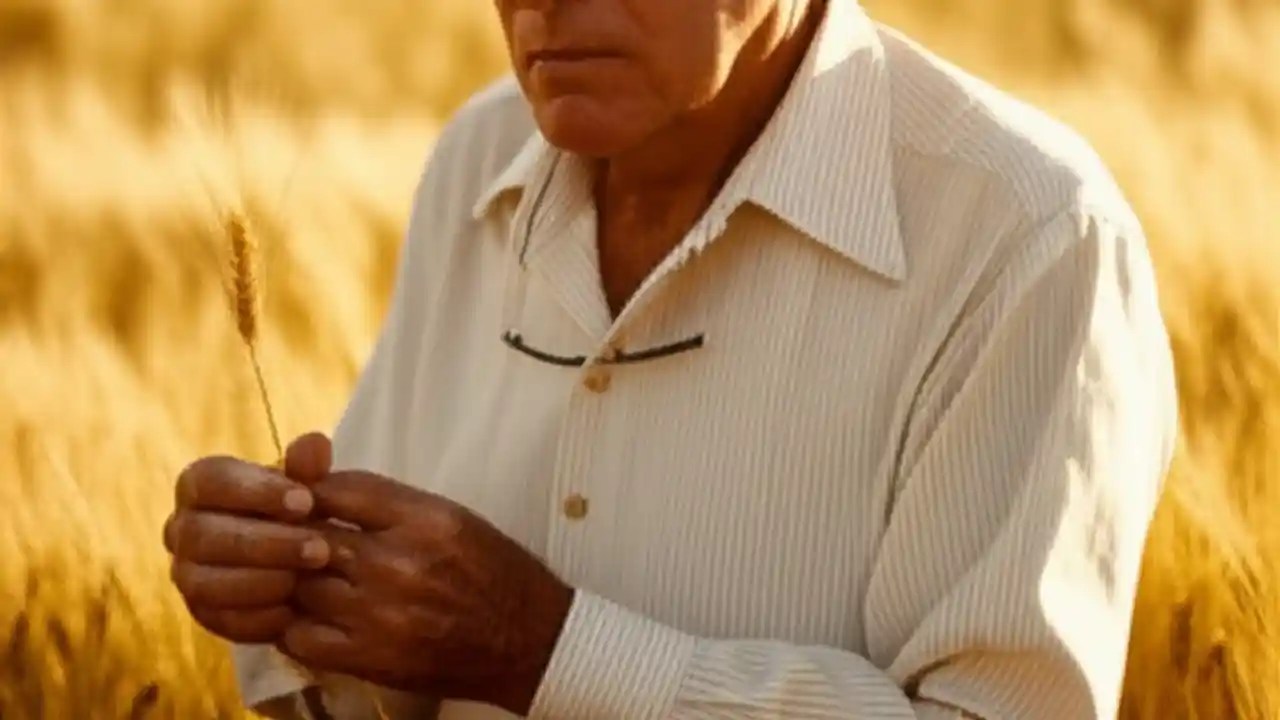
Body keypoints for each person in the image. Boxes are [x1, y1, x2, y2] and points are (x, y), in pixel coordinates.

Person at [162, 0, 1180, 717]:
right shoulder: (475, 164)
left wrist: (545, 651)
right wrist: (300, 599)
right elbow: (391, 681)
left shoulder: (1026, 236)